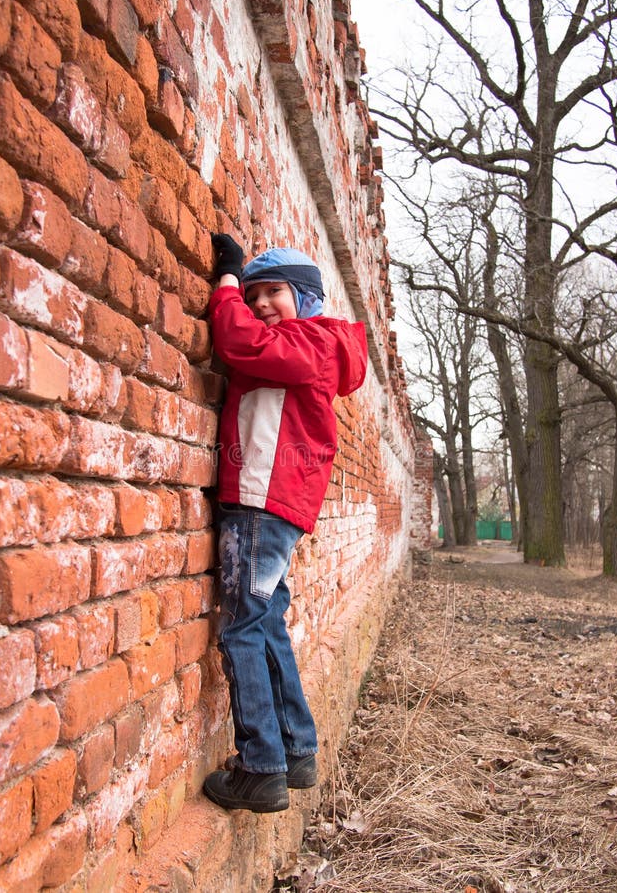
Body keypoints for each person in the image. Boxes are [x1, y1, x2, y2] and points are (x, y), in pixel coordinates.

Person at [202, 234, 368, 813]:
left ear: (306, 297)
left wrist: (226, 280)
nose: (262, 304)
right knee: (267, 618)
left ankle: (261, 767)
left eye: (274, 291)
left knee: (241, 626)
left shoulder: (309, 342)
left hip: (261, 499)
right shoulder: (311, 342)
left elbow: (236, 340)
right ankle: (296, 750)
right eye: (254, 294)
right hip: (274, 501)